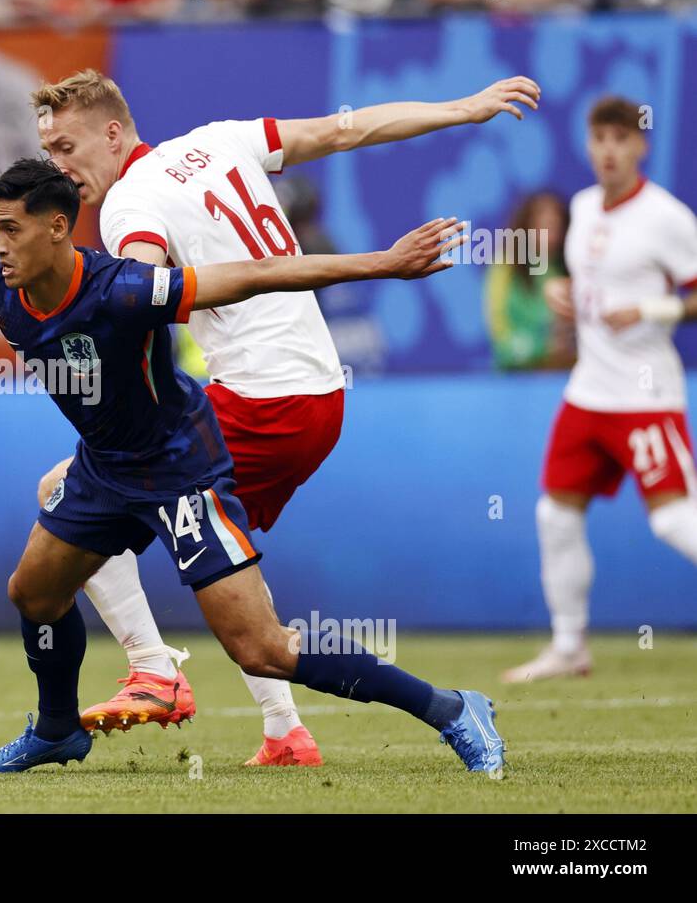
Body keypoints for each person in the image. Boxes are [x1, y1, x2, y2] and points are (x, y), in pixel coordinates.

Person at [31, 68, 539, 765]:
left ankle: (155, 670)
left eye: (66, 146)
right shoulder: (219, 141)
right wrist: (462, 107)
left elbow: (139, 299)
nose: (57, 165)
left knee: (66, 491)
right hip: (313, 394)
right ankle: (283, 731)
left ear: (113, 132)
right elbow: (346, 128)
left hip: (263, 404)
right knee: (228, 575)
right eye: (47, 152)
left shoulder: (128, 206)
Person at [503, 95, 697, 682]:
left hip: (645, 396)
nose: (610, 150)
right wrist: (566, 295)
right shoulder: (584, 207)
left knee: (670, 520)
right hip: (588, 392)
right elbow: (586, 283)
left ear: (641, 146)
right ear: (588, 146)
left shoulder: (664, 216)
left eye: (621, 139)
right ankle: (569, 646)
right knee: (554, 515)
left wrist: (652, 307)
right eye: (600, 139)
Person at [483, 190, 574, 370]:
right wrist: (543, 349)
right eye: (543, 224)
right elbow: (501, 339)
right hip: (518, 378)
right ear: (526, 226)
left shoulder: (572, 266)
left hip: (565, 376)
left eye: (556, 225)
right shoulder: (506, 267)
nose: (550, 231)